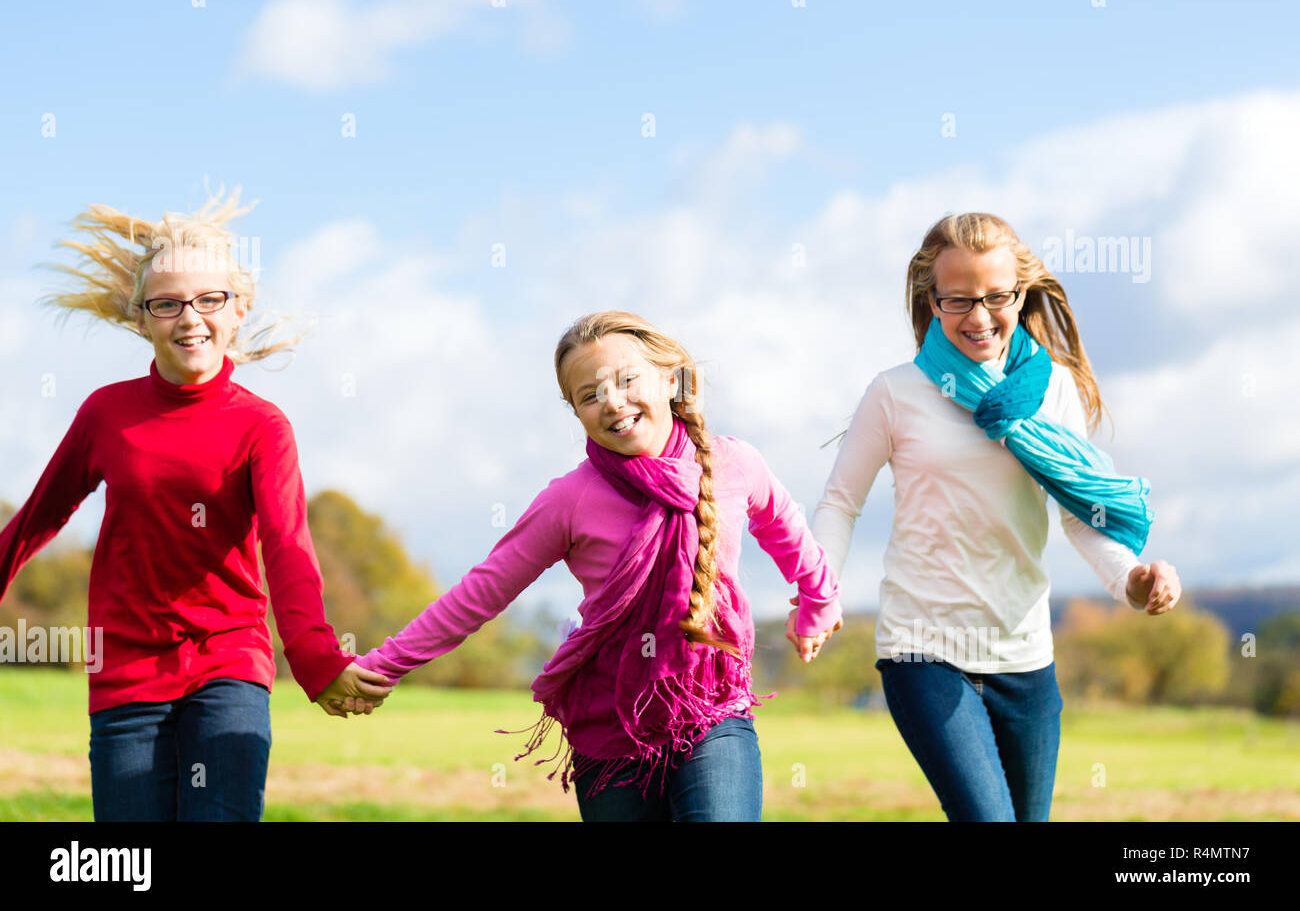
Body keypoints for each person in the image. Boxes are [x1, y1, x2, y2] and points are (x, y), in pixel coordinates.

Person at [353, 310, 843, 821]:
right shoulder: (569, 499)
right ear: (577, 413)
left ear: (670, 379)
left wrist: (819, 601)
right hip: (612, 728)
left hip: (712, 711)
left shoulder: (733, 464)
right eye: (588, 395)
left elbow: (786, 529)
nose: (611, 401)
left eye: (626, 379)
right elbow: (481, 593)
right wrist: (381, 666)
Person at [0, 189, 392, 821]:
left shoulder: (262, 426)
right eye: (169, 304)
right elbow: (37, 518)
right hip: (126, 671)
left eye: (210, 300)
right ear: (140, 318)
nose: (190, 318)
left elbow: (288, 547)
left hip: (228, 663)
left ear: (239, 309)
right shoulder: (107, 414)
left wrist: (317, 660)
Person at [811, 212, 1182, 822]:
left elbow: (1078, 510)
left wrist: (1130, 579)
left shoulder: (1052, 390)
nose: (979, 317)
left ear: (1021, 293)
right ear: (931, 300)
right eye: (958, 299)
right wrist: (818, 591)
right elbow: (840, 503)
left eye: (995, 297)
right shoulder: (895, 392)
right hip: (923, 649)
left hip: (1024, 653)